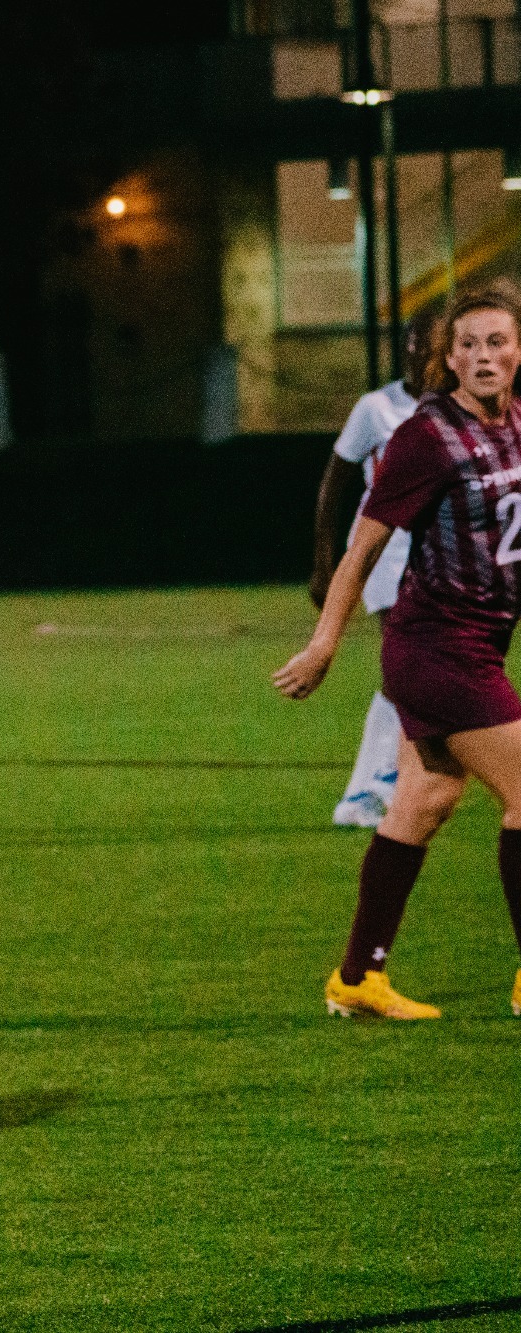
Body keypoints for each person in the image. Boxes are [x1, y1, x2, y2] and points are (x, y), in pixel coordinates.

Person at [275, 281, 521, 1021]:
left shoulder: (516, 423)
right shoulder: (426, 434)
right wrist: (325, 643)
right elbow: (364, 547)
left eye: (497, 342)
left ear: (518, 352)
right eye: (468, 344)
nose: (483, 356)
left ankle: (358, 978)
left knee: (424, 800)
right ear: (446, 359)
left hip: (479, 643)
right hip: (436, 650)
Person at [308, 307, 439, 827]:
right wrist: (323, 562)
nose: (423, 351)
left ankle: (387, 778)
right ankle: (371, 785)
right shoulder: (376, 407)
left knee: (419, 668)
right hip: (383, 553)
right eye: (419, 339)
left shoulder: (451, 410)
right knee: (403, 666)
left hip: (435, 555)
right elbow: (334, 482)